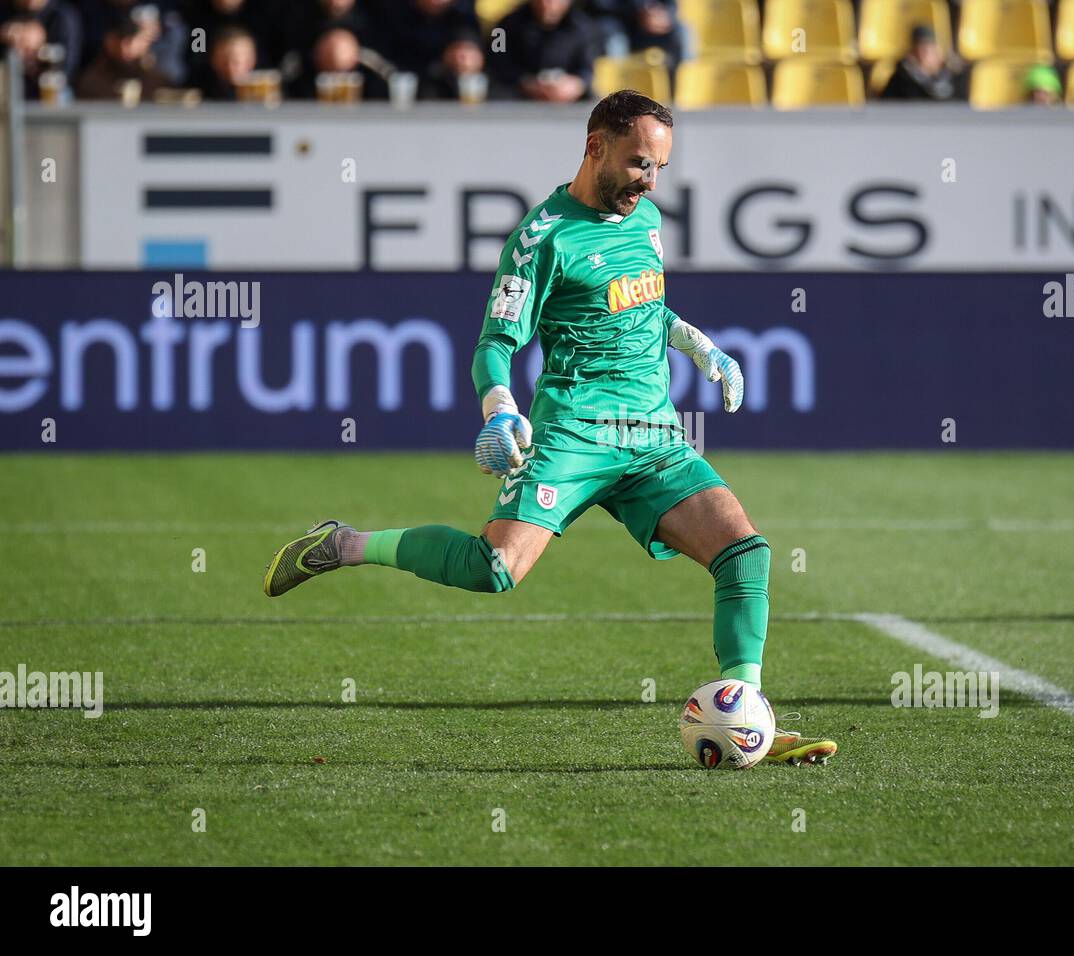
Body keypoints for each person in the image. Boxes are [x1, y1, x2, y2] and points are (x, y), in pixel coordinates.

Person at [261, 90, 839, 768]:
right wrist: (501, 410)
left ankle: (745, 714)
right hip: (572, 435)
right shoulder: (542, 238)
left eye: (658, 169)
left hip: (653, 436)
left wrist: (700, 346)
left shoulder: (645, 218)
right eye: (638, 165)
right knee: (493, 569)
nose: (649, 182)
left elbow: (644, 302)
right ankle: (344, 544)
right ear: (595, 147)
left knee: (746, 553)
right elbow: (493, 345)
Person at [489, 0, 595, 102]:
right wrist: (527, 83)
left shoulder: (584, 28)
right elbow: (498, 64)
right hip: (519, 99)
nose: (547, 4)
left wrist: (575, 85)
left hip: (569, 102)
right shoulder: (506, 26)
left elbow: (587, 69)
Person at [75, 9, 172, 100]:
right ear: (108, 40)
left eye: (131, 39)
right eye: (119, 39)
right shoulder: (91, 81)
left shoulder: (158, 81)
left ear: (146, 41)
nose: (123, 46)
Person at [880, 24, 958, 101]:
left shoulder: (958, 79)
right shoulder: (899, 82)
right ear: (913, 52)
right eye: (923, 48)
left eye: (933, 48)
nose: (928, 53)